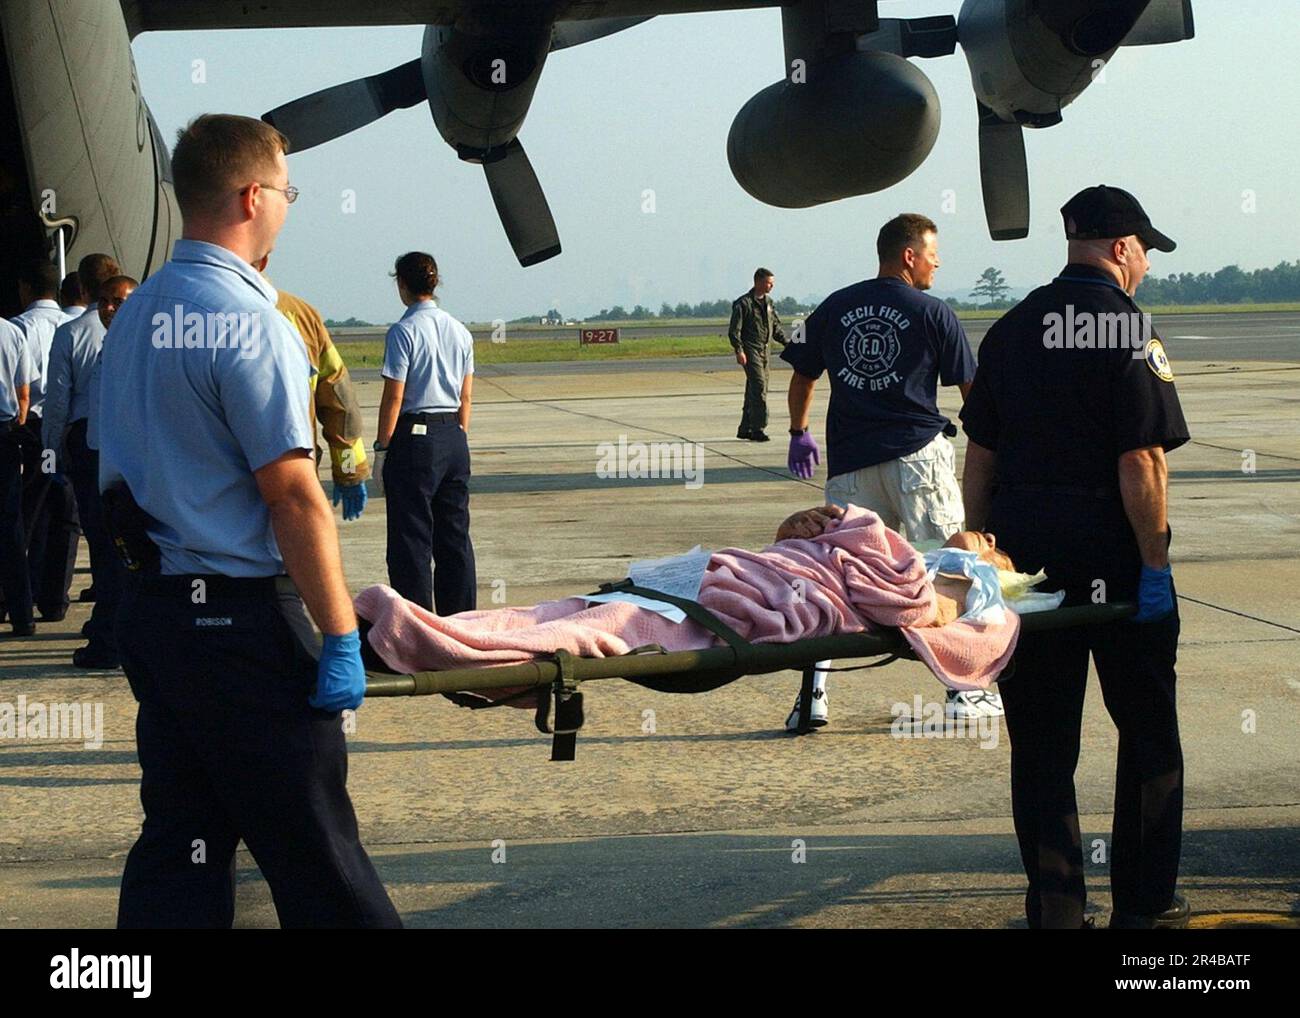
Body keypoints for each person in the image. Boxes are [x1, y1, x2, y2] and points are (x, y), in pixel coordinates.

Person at [100, 112, 400, 928]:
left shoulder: (134, 317)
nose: (289, 205)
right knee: (316, 853)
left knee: (181, 847)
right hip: (236, 624)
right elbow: (293, 495)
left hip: (155, 614)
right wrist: (339, 636)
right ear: (251, 195)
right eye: (287, 189)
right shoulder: (250, 320)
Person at [959, 185, 1190, 930]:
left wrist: (982, 549)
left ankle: (1057, 909)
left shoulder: (1013, 328)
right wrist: (1154, 567)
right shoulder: (1130, 331)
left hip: (1029, 564)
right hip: (1115, 560)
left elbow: (981, 457)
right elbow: (1142, 464)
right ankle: (1146, 906)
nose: (1146, 265)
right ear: (1122, 248)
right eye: (1146, 251)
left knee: (1042, 744)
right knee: (1148, 732)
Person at [780, 213, 995, 730]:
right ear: (908, 256)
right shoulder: (934, 312)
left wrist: (798, 431)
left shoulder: (834, 306)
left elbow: (804, 374)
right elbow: (975, 394)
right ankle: (964, 691)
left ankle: (812, 698)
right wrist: (997, 449)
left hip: (852, 465)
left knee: (833, 579)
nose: (937, 262)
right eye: (932, 253)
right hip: (917, 459)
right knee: (946, 571)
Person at [375, 251, 476, 615]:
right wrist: (458, 434)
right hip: (454, 434)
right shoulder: (460, 331)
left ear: (402, 285)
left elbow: (394, 396)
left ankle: (417, 626)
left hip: (416, 439)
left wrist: (382, 450)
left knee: (411, 539)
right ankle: (462, 621)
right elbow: (466, 395)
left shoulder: (403, 332)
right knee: (454, 539)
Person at [42, 253, 122, 665]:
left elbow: (57, 402)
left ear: (82, 288)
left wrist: (50, 453)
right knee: (118, 542)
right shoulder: (136, 333)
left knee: (102, 542)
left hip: (87, 446)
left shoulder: (70, 333)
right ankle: (108, 621)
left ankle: (108, 629)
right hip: (122, 449)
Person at [254, 254, 370, 521]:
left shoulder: (181, 315)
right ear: (264, 262)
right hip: (294, 481)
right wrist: (349, 472)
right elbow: (340, 403)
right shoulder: (302, 316)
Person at [9, 260, 76, 623]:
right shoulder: (74, 326)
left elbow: (19, 385)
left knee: (26, 513)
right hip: (68, 431)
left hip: (32, 427)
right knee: (67, 515)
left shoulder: (19, 328)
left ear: (25, 288)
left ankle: (22, 590)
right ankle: (55, 598)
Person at [0, 315, 36, 636]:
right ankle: (22, 615)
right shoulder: (12, 332)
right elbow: (23, 393)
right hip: (5, 434)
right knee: (11, 528)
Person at [729, 267, 787, 442]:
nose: (771, 286)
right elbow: (734, 331)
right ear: (758, 282)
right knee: (759, 387)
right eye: (769, 283)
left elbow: (775, 327)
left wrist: (788, 344)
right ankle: (758, 429)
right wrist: (739, 351)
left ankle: (744, 428)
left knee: (753, 389)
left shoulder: (769, 303)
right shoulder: (743, 304)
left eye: (772, 283)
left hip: (765, 351)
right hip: (750, 350)